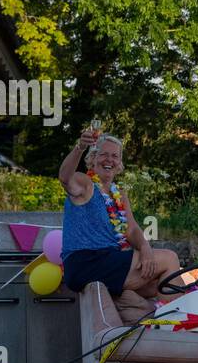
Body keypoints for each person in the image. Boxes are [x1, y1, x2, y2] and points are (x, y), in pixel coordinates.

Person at [58, 126, 180, 298]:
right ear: (92, 158)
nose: (109, 160)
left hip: (110, 260)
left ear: (120, 163)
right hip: (85, 261)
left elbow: (131, 230)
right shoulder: (84, 183)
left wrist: (145, 247)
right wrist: (80, 147)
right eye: (103, 154)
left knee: (156, 284)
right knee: (169, 259)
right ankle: (179, 321)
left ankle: (152, 318)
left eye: (115, 156)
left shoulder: (119, 195)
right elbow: (64, 178)